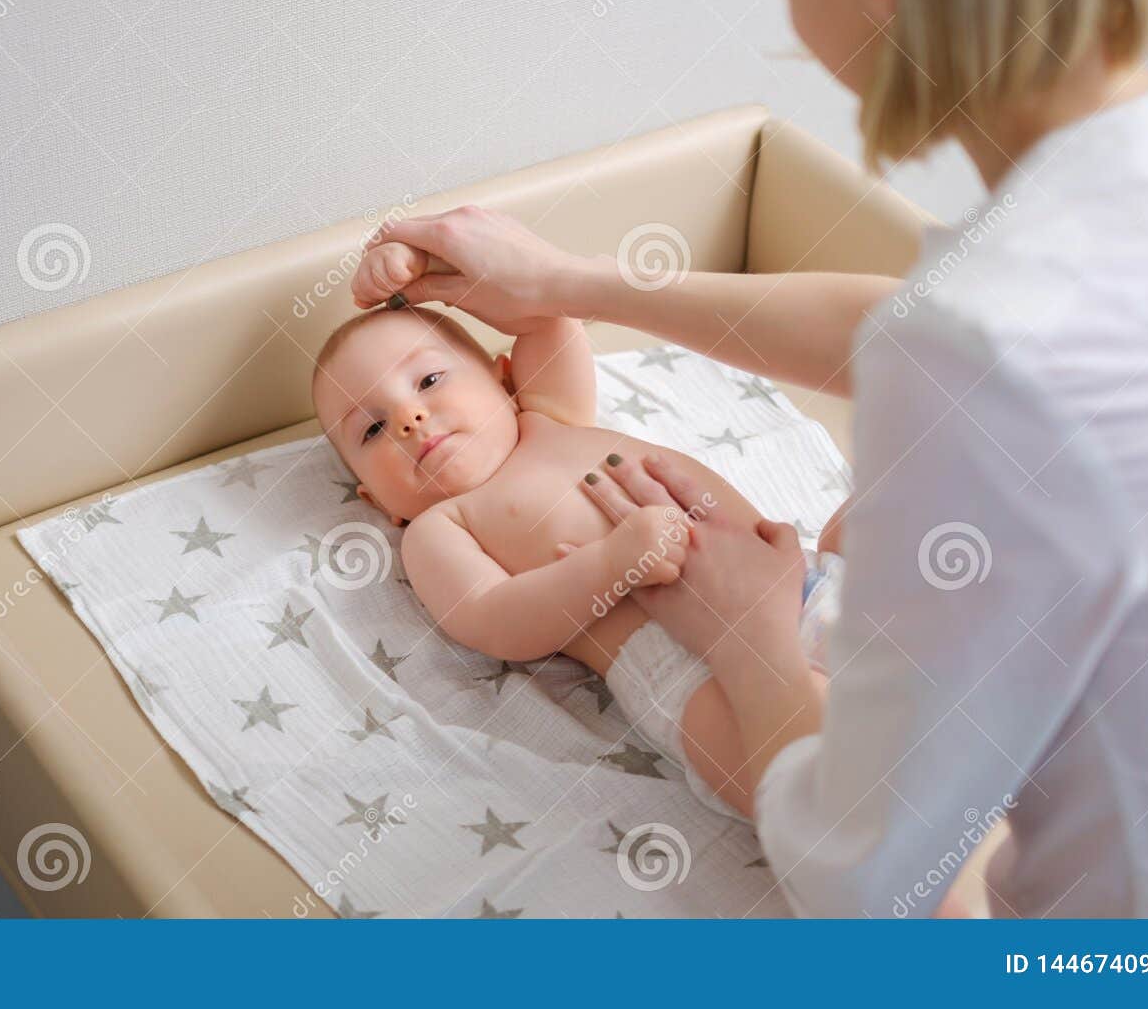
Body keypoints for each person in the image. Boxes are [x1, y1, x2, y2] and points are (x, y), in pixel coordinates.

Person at [348, 0, 1148, 917]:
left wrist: (745, 629)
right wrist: (569, 280)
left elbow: (866, 879)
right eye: (369, 428)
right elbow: (901, 324)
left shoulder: (983, 348)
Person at [309, 285, 845, 821]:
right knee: (811, 782)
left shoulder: (550, 415)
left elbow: (545, 311)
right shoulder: (437, 528)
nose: (410, 417)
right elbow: (494, 619)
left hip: (800, 581)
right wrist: (614, 562)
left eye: (429, 380)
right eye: (373, 428)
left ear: (502, 379)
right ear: (376, 500)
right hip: (690, 670)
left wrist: (449, 278)